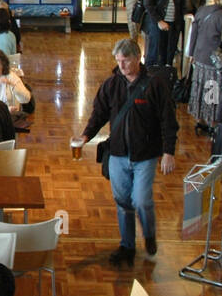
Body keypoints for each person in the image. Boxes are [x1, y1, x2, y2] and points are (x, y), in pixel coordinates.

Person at [73, 38, 177, 265]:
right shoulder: (111, 85)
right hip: (118, 153)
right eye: (118, 61)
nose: (121, 66)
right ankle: (127, 245)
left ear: (137, 58)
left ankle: (149, 234)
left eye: (126, 61)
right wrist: (85, 136)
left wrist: (168, 151)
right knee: (122, 202)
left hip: (145, 155)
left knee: (141, 200)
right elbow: (99, 113)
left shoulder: (155, 85)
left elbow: (169, 119)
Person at [187, 0, 222, 142]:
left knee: (199, 88)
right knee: (212, 91)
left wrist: (191, 53)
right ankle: (211, 122)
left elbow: (193, 32)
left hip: (199, 56)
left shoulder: (203, 10)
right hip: (214, 61)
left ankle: (199, 120)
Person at [0, 49, 31, 119]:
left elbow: (26, 99)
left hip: (9, 118)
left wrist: (11, 84)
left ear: (3, 64)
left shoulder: (11, 77)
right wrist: (5, 110)